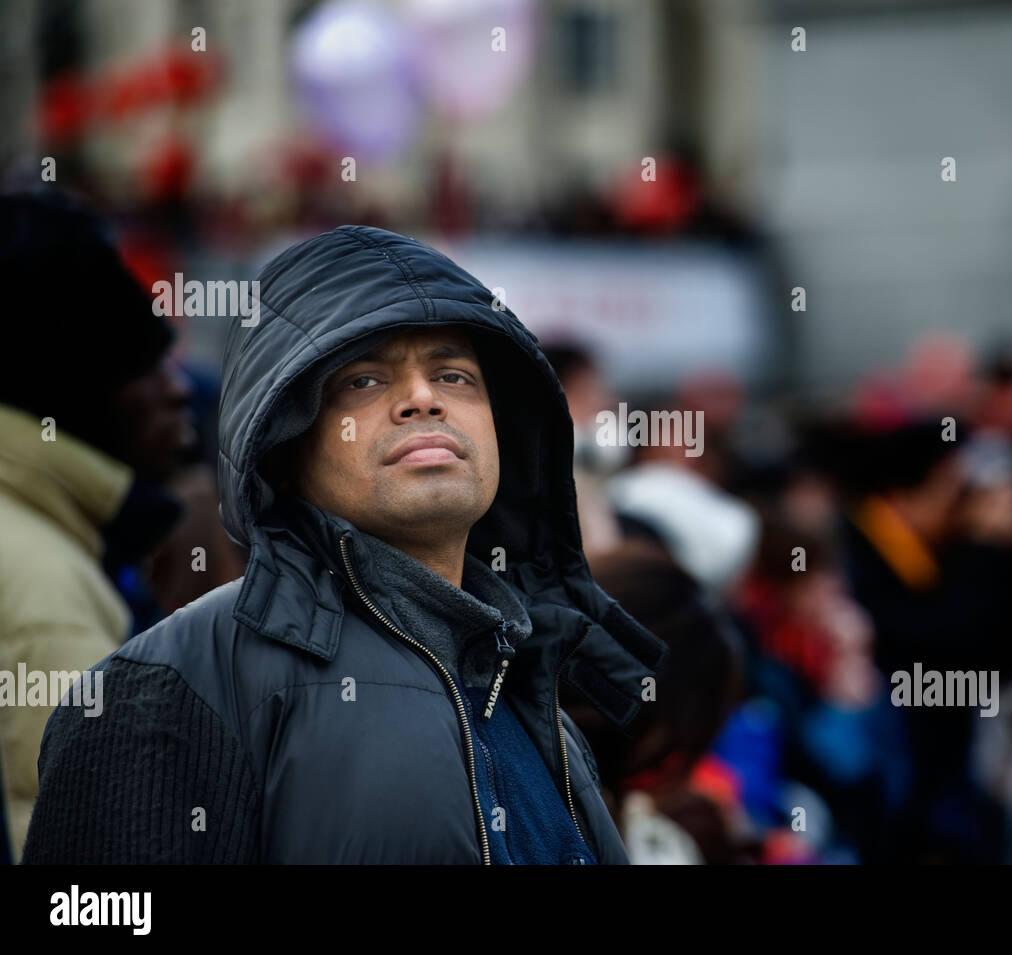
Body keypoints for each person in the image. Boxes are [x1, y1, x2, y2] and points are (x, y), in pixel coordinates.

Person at [22, 226, 668, 864]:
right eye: (363, 380)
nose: (421, 398)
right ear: (283, 440)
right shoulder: (173, 687)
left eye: (453, 375)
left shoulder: (536, 703)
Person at [0, 192, 193, 859]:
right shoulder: (48, 589)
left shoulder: (43, 539)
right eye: (146, 361)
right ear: (77, 391)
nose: (178, 387)